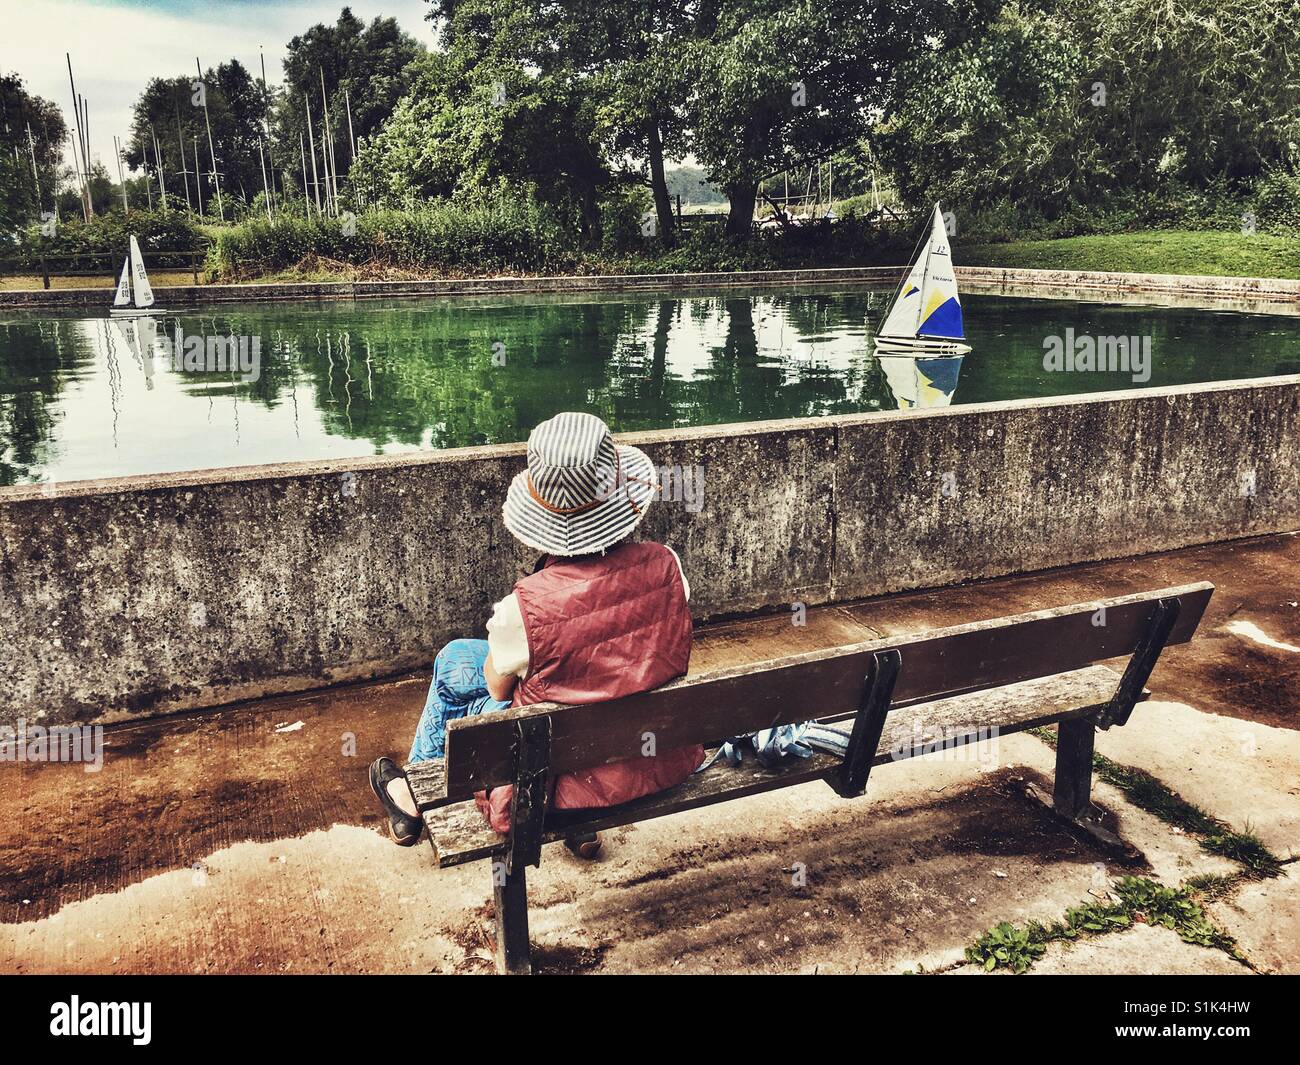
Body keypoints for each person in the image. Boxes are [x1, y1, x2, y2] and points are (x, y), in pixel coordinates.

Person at [369, 411, 703, 859]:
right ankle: (582, 823)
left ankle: (413, 795)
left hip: (550, 784)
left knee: (454, 667)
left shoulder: (520, 611)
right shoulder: (667, 566)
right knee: (564, 689)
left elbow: (496, 689)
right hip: (656, 760)